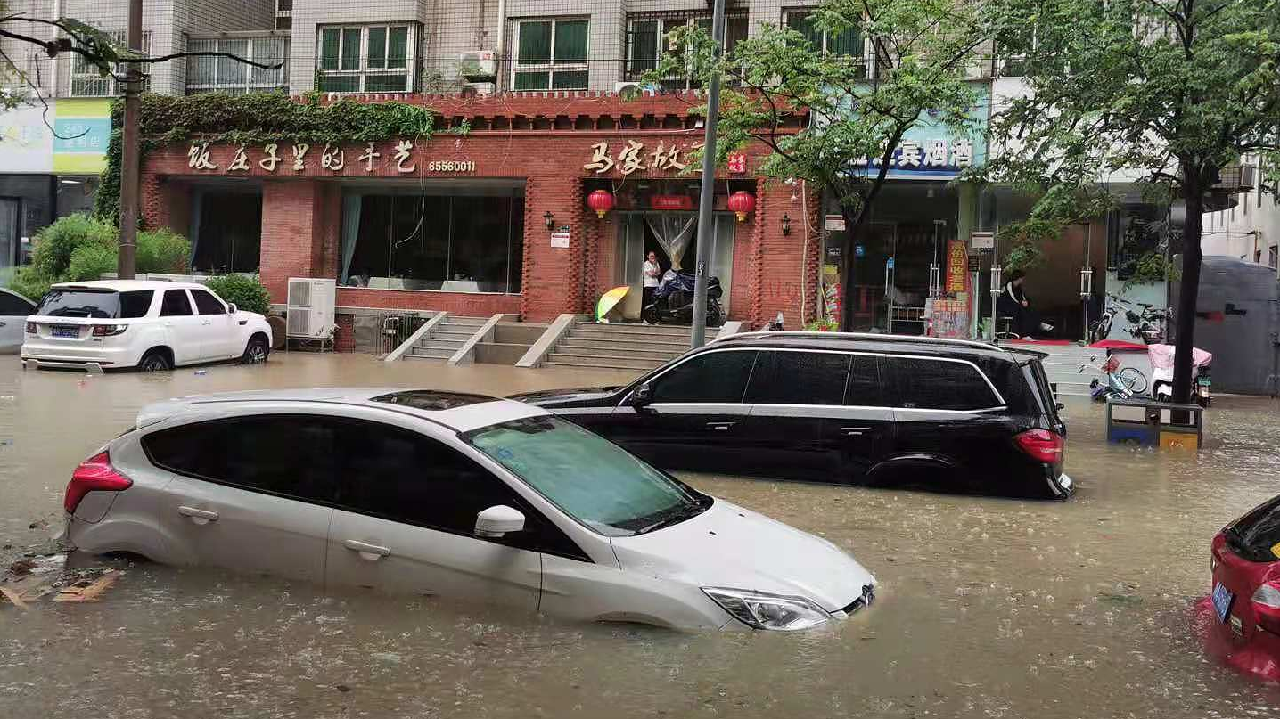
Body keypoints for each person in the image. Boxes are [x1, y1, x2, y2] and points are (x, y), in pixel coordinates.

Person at [998, 270, 1054, 338]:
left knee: (1030, 310)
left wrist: (1025, 301)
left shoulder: (1019, 286)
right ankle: (1029, 331)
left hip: (1017, 306)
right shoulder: (1009, 284)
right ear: (1018, 278)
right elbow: (1012, 297)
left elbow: (1022, 296)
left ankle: (1039, 324)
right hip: (1007, 306)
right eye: (1022, 278)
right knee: (1022, 311)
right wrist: (1021, 303)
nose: (1022, 279)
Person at [642, 251, 661, 321]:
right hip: (648, 285)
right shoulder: (646, 264)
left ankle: (656, 319)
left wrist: (655, 266)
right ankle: (646, 319)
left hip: (656, 285)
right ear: (648, 256)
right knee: (648, 302)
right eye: (651, 256)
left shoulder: (656, 263)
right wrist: (654, 273)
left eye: (653, 256)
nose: (653, 257)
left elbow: (659, 272)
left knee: (656, 302)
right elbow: (651, 274)